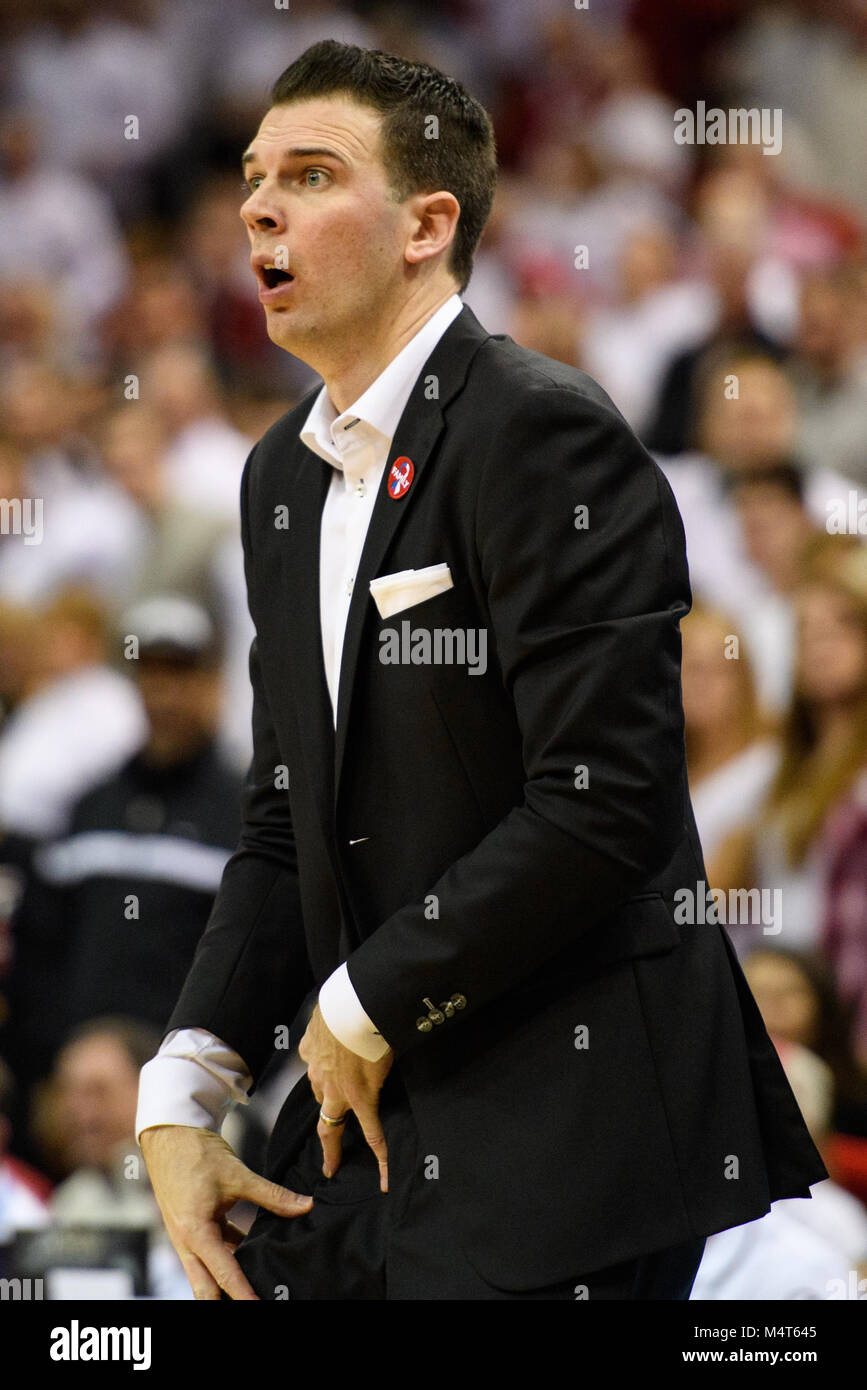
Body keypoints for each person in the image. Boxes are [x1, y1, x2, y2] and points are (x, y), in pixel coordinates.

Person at [136, 40, 826, 1302]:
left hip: (573, 1123)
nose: (255, 209)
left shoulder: (538, 427)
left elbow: (600, 800)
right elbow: (288, 822)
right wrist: (183, 1085)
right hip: (388, 1107)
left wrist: (358, 1005)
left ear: (426, 223)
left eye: (309, 174)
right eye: (249, 178)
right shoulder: (277, 478)